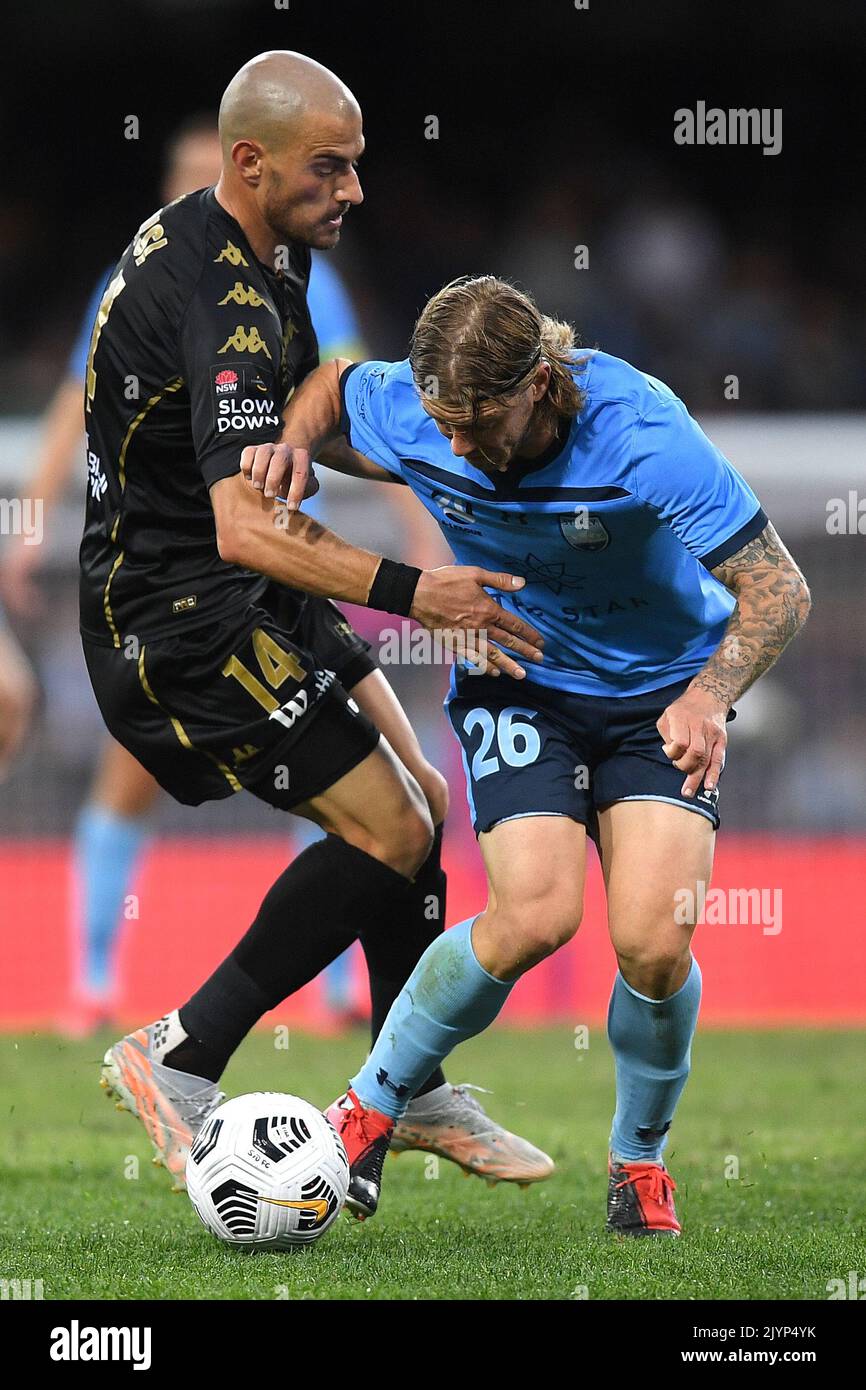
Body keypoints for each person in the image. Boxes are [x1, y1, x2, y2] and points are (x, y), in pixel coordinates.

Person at [243, 275, 812, 1230]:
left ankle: (637, 1161)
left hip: (656, 696)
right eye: (442, 423)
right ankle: (367, 1109)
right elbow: (337, 384)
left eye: (478, 423)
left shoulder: (644, 432)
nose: (456, 445)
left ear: (542, 384)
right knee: (537, 913)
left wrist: (711, 697)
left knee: (653, 943)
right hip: (521, 680)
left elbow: (780, 589)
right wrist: (295, 441)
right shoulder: (420, 411)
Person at [82, 53, 552, 1192]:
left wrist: (439, 460)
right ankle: (177, 1055)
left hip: (241, 592)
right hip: (182, 615)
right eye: (329, 167)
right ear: (252, 162)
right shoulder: (223, 297)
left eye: (356, 164)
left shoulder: (253, 250)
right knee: (387, 830)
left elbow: (290, 434)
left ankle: (406, 1086)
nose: (353, 189)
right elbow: (243, 524)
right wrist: (414, 587)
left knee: (424, 804)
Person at [0, 115, 375, 1033]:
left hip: (288, 569)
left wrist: (428, 520)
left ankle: (332, 992)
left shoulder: (295, 277)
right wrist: (31, 518)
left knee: (355, 782)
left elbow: (359, 400)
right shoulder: (149, 275)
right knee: (142, 776)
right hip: (187, 589)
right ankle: (94, 983)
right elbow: (72, 400)